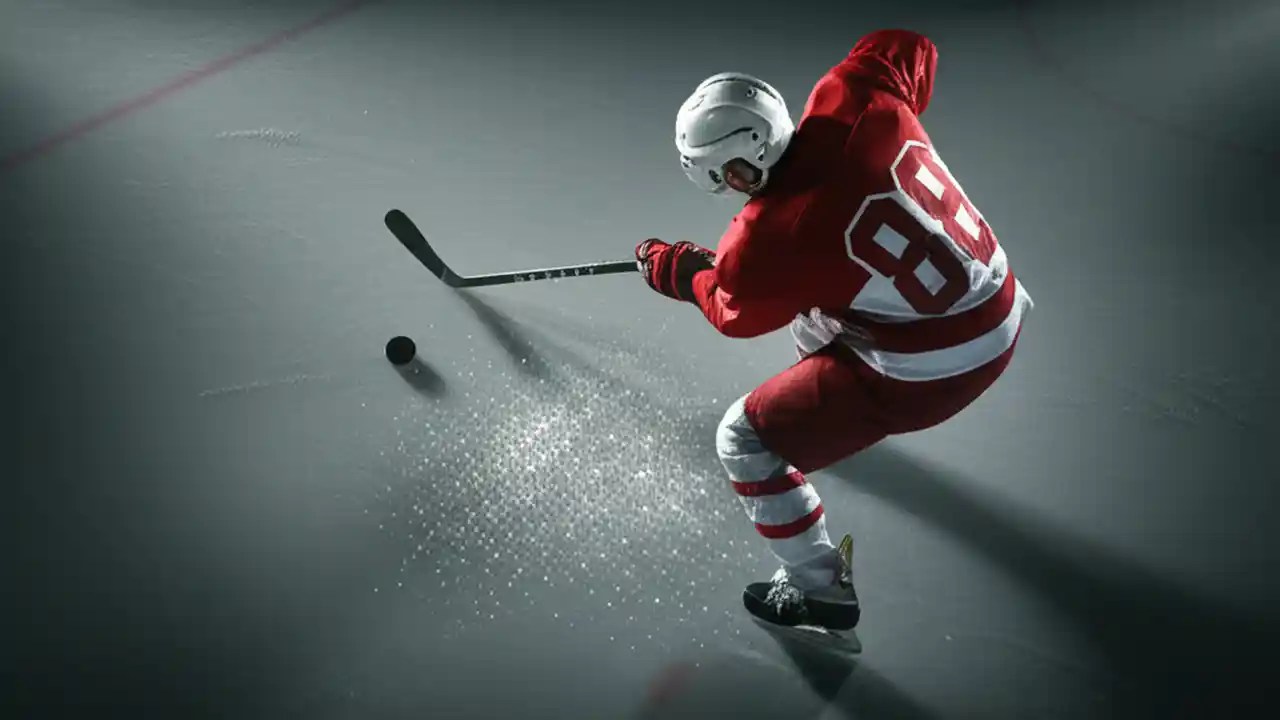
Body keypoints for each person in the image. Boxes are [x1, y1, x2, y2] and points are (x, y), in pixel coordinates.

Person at [635, 29, 1033, 631]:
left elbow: (729, 309)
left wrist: (678, 269)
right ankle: (826, 426)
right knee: (814, 307)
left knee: (742, 442)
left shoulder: (766, 240)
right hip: (999, 297)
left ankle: (820, 591)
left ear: (737, 169)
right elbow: (910, 46)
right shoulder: (854, 92)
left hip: (941, 366)